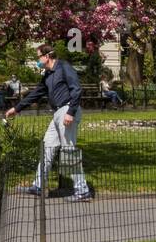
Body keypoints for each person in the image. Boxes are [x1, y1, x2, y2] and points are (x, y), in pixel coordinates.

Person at [5, 44, 91, 201]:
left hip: (67, 110)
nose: (38, 60)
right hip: (58, 113)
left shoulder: (64, 67)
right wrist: (16, 109)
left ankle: (82, 190)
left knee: (68, 149)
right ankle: (38, 186)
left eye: (38, 57)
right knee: (47, 146)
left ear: (47, 56)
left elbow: (76, 89)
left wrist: (71, 112)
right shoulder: (48, 75)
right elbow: (35, 94)